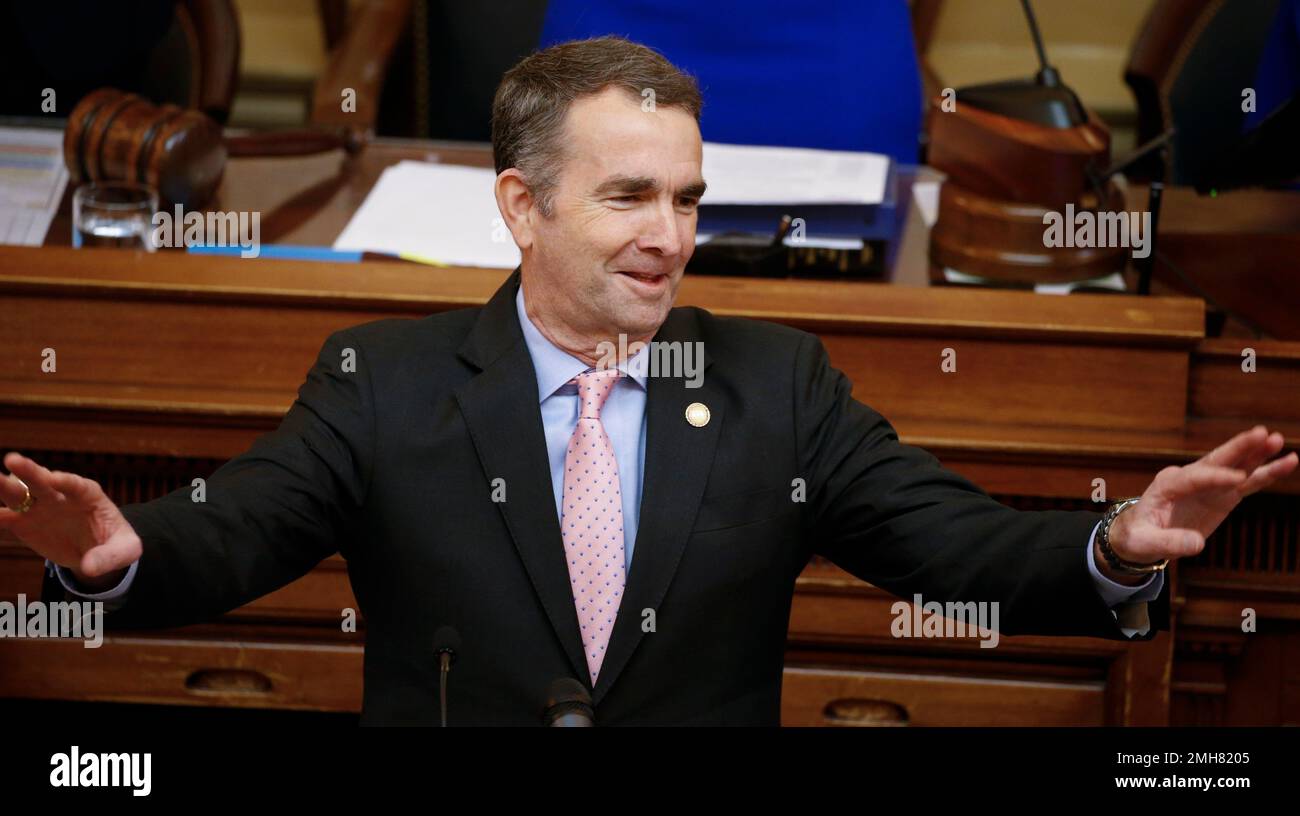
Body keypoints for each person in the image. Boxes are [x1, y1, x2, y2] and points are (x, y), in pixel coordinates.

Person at [2, 37, 1295, 725]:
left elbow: (951, 546)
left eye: (686, 199)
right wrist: (117, 553)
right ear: (523, 207)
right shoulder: (385, 381)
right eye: (628, 196)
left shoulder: (774, 385)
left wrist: (1119, 542)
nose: (669, 235)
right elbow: (237, 533)